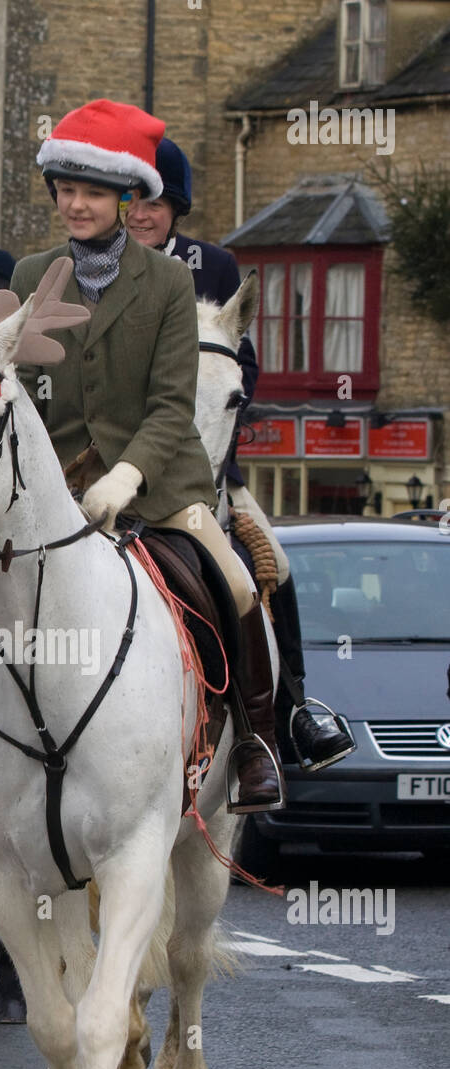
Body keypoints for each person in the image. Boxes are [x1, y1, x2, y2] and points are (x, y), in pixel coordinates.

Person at [8, 98, 285, 810]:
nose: (74, 204)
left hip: (159, 482)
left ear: (127, 198)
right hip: (52, 484)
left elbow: (170, 405)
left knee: (235, 581)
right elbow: (21, 393)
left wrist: (126, 475)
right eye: (64, 191)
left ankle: (256, 741)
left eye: (90, 192)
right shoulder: (30, 275)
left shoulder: (168, 283)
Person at [126, 138, 354, 771]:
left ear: (177, 208)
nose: (143, 214)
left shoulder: (216, 267)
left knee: (270, 564)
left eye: (157, 202)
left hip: (203, 468)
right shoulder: (98, 268)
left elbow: (240, 367)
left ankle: (284, 718)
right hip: (109, 465)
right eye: (132, 201)